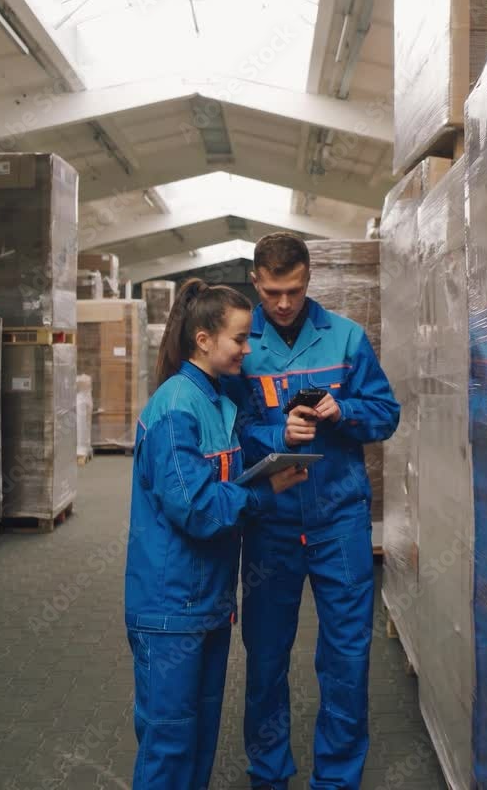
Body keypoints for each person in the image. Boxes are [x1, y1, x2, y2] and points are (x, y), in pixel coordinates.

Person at [227, 233, 400, 790]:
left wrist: (342, 409)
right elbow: (229, 430)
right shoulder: (240, 343)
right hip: (270, 523)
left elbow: (386, 413)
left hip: (339, 520)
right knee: (267, 656)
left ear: (309, 280)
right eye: (273, 291)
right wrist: (279, 431)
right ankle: (269, 774)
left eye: (294, 290)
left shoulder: (346, 337)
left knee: (347, 656)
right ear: (256, 281)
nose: (283, 303)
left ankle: (337, 779)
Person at [124, 277, 307, 790]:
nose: (248, 350)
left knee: (200, 735)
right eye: (240, 340)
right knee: (169, 741)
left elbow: (217, 482)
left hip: (206, 603)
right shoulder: (176, 406)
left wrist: (269, 466)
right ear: (203, 340)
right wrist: (265, 492)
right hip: (170, 608)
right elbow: (197, 508)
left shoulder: (217, 403)